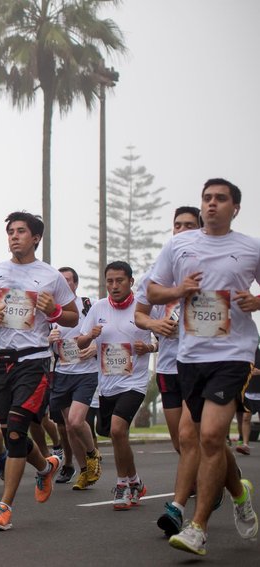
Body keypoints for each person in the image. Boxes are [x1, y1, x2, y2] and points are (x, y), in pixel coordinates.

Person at [147, 178, 259, 555]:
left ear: (235, 208)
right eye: (207, 198)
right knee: (204, 439)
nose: (212, 204)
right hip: (191, 356)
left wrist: (256, 301)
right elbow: (152, 291)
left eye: (220, 199)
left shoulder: (250, 247)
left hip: (233, 353)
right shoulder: (179, 246)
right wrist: (179, 291)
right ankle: (240, 495)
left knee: (210, 436)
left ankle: (197, 527)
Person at [0, 211, 78, 531]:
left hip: (34, 361)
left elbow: (72, 316)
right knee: (10, 433)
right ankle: (45, 467)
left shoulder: (50, 276)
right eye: (10, 232)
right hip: (1, 362)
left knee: (17, 429)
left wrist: (54, 310)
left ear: (36, 238)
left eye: (21, 231)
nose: (14, 236)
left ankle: (4, 508)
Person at [133, 206, 202, 535]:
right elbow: (139, 315)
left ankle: (180, 506)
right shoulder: (157, 274)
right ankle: (226, 481)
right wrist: (155, 325)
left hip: (201, 364)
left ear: (200, 230)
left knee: (193, 437)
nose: (182, 230)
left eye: (189, 225)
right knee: (180, 441)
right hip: (168, 367)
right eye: (178, 225)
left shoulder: (208, 268)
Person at [77, 261, 154, 510]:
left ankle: (122, 486)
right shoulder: (99, 307)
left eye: (119, 280)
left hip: (135, 382)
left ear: (131, 281)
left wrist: (149, 347)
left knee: (118, 430)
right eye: (109, 281)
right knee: (113, 434)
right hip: (108, 384)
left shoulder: (143, 307)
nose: (114, 285)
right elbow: (79, 342)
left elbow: (165, 337)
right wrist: (90, 336)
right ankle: (135, 481)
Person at [47, 266, 102, 491]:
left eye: (68, 280)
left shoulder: (89, 305)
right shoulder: (50, 311)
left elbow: (108, 329)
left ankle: (92, 454)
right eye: (60, 280)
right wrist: (48, 339)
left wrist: (96, 347)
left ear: (75, 284)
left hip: (85, 373)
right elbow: (38, 341)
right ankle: (84, 470)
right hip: (62, 373)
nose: (64, 283)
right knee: (69, 428)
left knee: (77, 421)